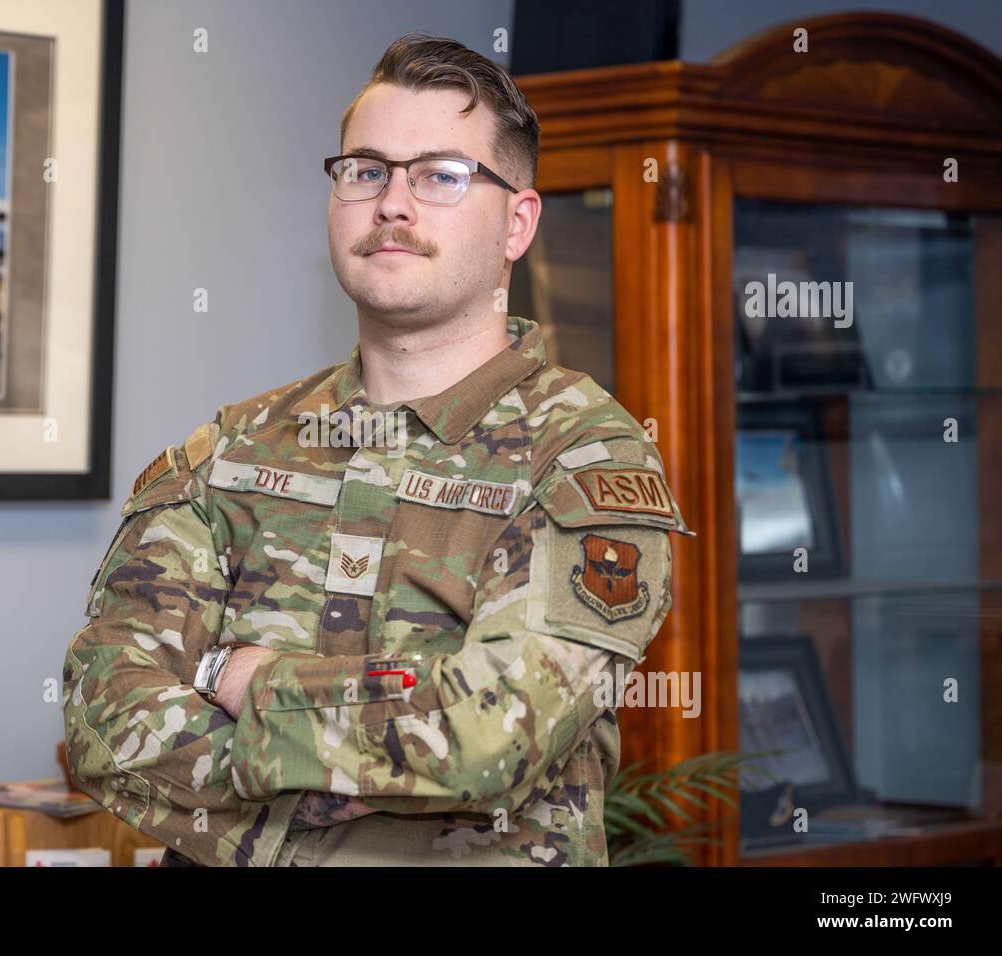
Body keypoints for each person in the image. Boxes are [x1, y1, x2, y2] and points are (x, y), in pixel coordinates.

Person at [62, 32, 694, 867]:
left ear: (517, 222)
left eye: (441, 175)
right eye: (366, 169)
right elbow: (100, 720)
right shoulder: (237, 447)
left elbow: (483, 738)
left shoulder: (582, 458)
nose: (393, 202)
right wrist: (347, 786)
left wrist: (238, 678)